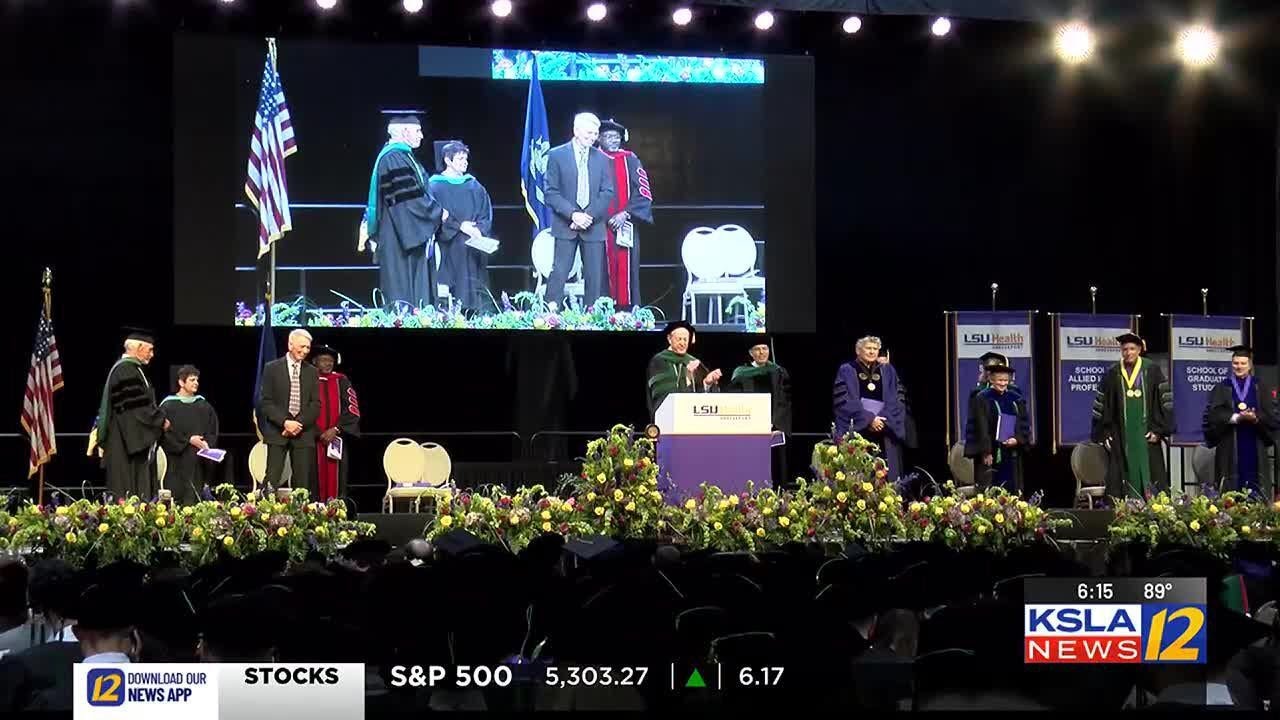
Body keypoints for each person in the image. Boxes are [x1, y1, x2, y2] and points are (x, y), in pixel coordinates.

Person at [360, 112, 448, 309]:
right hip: (399, 235)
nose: (421, 135)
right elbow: (408, 200)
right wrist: (436, 212)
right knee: (402, 293)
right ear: (404, 131)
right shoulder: (393, 158)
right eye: (418, 131)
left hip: (404, 233)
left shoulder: (404, 157)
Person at [544, 112, 616, 309]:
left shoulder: (603, 159)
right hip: (565, 225)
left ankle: (592, 316)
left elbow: (607, 192)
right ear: (576, 130)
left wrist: (588, 216)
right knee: (559, 273)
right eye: (589, 133)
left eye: (595, 134)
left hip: (593, 227)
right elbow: (551, 192)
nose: (593, 137)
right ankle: (550, 316)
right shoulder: (556, 155)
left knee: (594, 277)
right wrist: (573, 215)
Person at [1091, 332, 1174, 498]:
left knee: (1153, 480)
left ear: (1139, 350)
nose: (1128, 353)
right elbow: (1102, 404)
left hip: (1147, 436)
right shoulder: (1113, 373)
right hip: (1121, 437)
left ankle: (1155, 511)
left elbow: (1165, 401)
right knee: (1120, 483)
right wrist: (1105, 433)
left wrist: (1158, 431)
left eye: (1132, 349)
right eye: (1125, 349)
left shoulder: (1151, 370)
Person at [95, 328, 169, 500]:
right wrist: (160, 420)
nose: (152, 354)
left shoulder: (133, 370)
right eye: (150, 350)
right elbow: (135, 408)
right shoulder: (125, 371)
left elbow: (138, 403)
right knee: (127, 492)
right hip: (124, 441)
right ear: (138, 348)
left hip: (126, 438)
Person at [1203, 345, 1279, 496]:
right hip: (1229, 444)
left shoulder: (1260, 386)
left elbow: (1271, 415)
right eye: (1236, 363)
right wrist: (1236, 417)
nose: (1239, 366)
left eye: (1243, 363)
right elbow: (1214, 415)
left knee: (1256, 488)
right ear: (1232, 364)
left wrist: (1255, 418)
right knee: (1230, 491)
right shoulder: (1222, 386)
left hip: (1255, 442)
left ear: (1249, 365)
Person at [428, 141, 494, 313]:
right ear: (447, 160)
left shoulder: (474, 185)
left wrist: (478, 229)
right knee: (458, 253)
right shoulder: (434, 186)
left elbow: (485, 212)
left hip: (474, 244)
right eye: (460, 158)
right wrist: (459, 226)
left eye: (466, 158)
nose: (465, 162)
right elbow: (433, 213)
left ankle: (478, 313)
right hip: (449, 244)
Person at [596, 118, 654, 308]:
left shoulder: (630, 159)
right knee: (599, 272)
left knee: (627, 271)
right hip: (598, 227)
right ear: (599, 139)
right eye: (608, 136)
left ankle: (628, 314)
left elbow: (643, 191)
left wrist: (625, 214)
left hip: (625, 225)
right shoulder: (592, 158)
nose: (614, 140)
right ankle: (601, 314)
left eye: (616, 137)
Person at [833, 336, 907, 481]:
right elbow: (843, 400)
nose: (872, 352)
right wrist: (869, 419)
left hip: (885, 430)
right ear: (858, 350)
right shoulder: (847, 370)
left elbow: (897, 399)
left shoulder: (888, 370)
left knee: (886, 478)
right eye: (868, 348)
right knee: (858, 480)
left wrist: (883, 420)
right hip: (858, 432)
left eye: (875, 349)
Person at [257, 329, 321, 494]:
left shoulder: (312, 371)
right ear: (290, 344)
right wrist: (285, 422)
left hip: (303, 433)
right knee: (272, 479)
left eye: (308, 347)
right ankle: (267, 509)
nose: (305, 351)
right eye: (302, 346)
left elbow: (315, 404)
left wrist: (297, 424)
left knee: (302, 483)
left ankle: (301, 510)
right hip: (278, 431)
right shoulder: (272, 368)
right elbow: (266, 402)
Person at [728, 339, 793, 486]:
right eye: (757, 349)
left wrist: (776, 424)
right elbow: (736, 401)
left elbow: (785, 401)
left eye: (765, 348)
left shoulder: (779, 372)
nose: (762, 352)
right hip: (749, 429)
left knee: (775, 467)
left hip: (774, 429)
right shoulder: (741, 374)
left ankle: (779, 495)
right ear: (751, 353)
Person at [158, 365, 220, 505]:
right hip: (175, 462)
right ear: (181, 382)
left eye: (197, 380)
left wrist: (206, 444)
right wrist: (188, 440)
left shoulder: (204, 406)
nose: (196, 383)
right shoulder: (168, 406)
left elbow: (212, 429)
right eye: (192, 380)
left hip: (198, 461)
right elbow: (164, 432)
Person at [964, 364, 1031, 492]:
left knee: (1012, 490)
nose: (1003, 383)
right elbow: (981, 426)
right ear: (991, 380)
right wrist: (986, 452)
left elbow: (1023, 422)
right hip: (992, 452)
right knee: (990, 490)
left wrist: (1017, 439)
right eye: (1000, 380)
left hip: (1011, 453)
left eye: (1006, 380)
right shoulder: (982, 398)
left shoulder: (1015, 398)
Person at [311, 345, 361, 502]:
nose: (328, 364)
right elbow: (300, 408)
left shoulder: (342, 381)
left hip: (336, 438)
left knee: (338, 480)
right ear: (315, 361)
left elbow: (352, 409)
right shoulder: (307, 379)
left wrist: (336, 429)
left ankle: (336, 512)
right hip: (312, 440)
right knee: (312, 480)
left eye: (331, 361)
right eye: (324, 360)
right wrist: (318, 432)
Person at [646, 320, 722, 419]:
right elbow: (663, 396)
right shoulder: (659, 361)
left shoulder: (692, 361)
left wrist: (707, 383)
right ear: (669, 339)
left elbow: (704, 399)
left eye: (685, 339)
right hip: (669, 418)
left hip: (693, 419)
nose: (682, 343)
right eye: (679, 339)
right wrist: (687, 377)